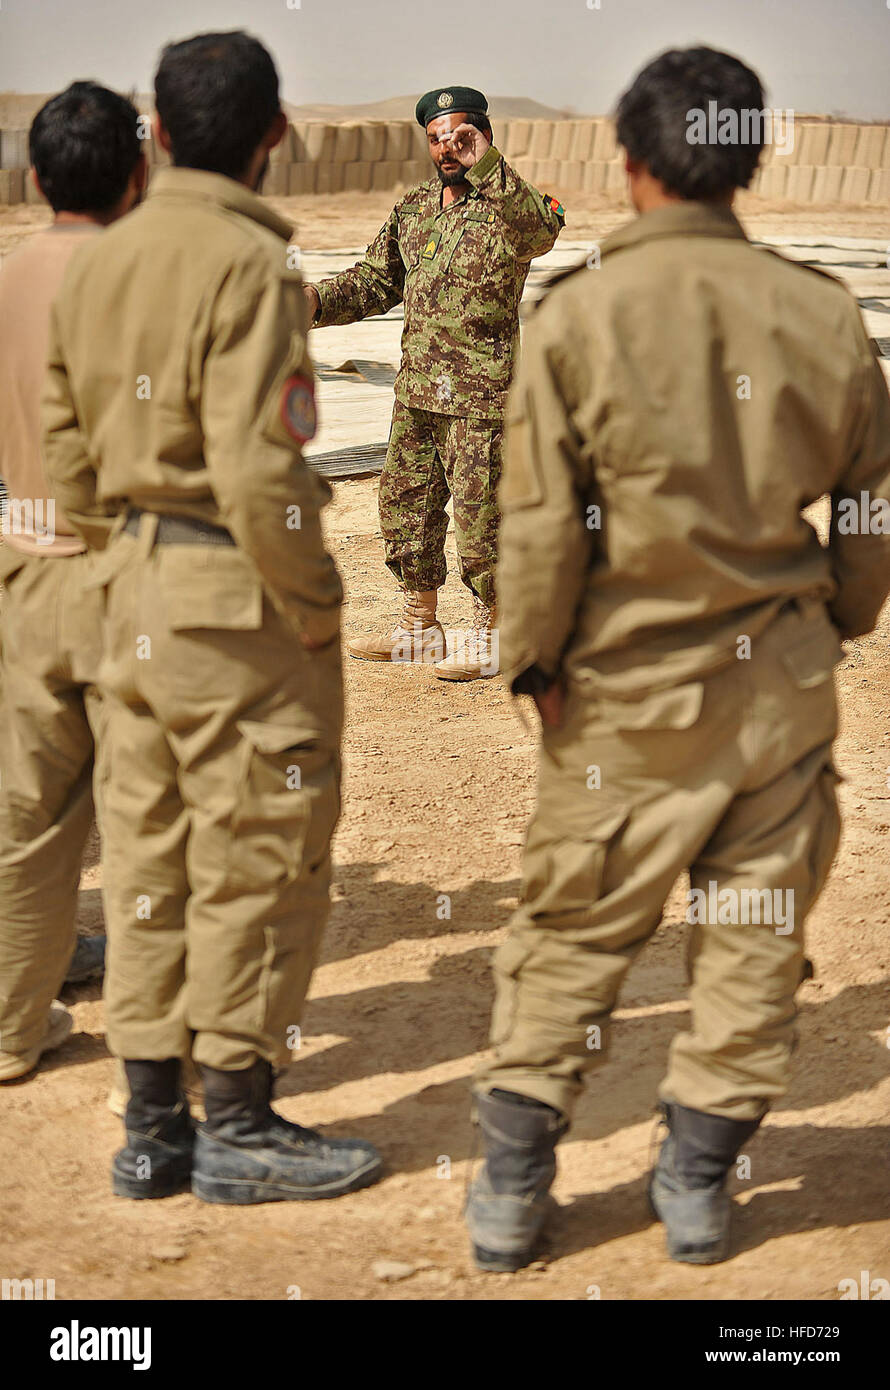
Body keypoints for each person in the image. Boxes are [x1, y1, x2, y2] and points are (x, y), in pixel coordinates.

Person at [465, 46, 890, 1271]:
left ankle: (507, 1194)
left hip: (619, 701)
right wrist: (839, 623)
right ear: (746, 159)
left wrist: (535, 668)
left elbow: (539, 528)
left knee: (572, 933)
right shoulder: (819, 314)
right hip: (777, 697)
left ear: (631, 158)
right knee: (753, 935)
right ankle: (697, 1187)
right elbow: (867, 512)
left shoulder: (574, 318)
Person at [43, 30, 381, 1204]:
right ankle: (234, 1118)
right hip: (233, 604)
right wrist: (315, 605)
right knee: (258, 860)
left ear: (161, 131)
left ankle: (152, 1132)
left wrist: (115, 554)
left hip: (123, 593)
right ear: (274, 135)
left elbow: (63, 452)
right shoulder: (251, 266)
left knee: (144, 858)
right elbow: (256, 472)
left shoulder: (101, 259)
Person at [304, 86, 565, 680]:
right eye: (436, 137)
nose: (446, 147)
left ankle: (489, 628)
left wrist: (488, 167)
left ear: (484, 135)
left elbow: (540, 232)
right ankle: (420, 625)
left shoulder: (513, 207)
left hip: (483, 397)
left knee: (483, 518)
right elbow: (375, 280)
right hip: (417, 392)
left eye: (459, 135)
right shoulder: (415, 207)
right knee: (406, 508)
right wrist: (314, 300)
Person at [0, 82, 146, 1083]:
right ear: (137, 175)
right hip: (131, 575)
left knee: (28, 819)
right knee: (148, 826)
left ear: (37, 177)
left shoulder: (6, 279)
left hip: (22, 562)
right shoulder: (150, 282)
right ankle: (154, 1062)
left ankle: (14, 1028)